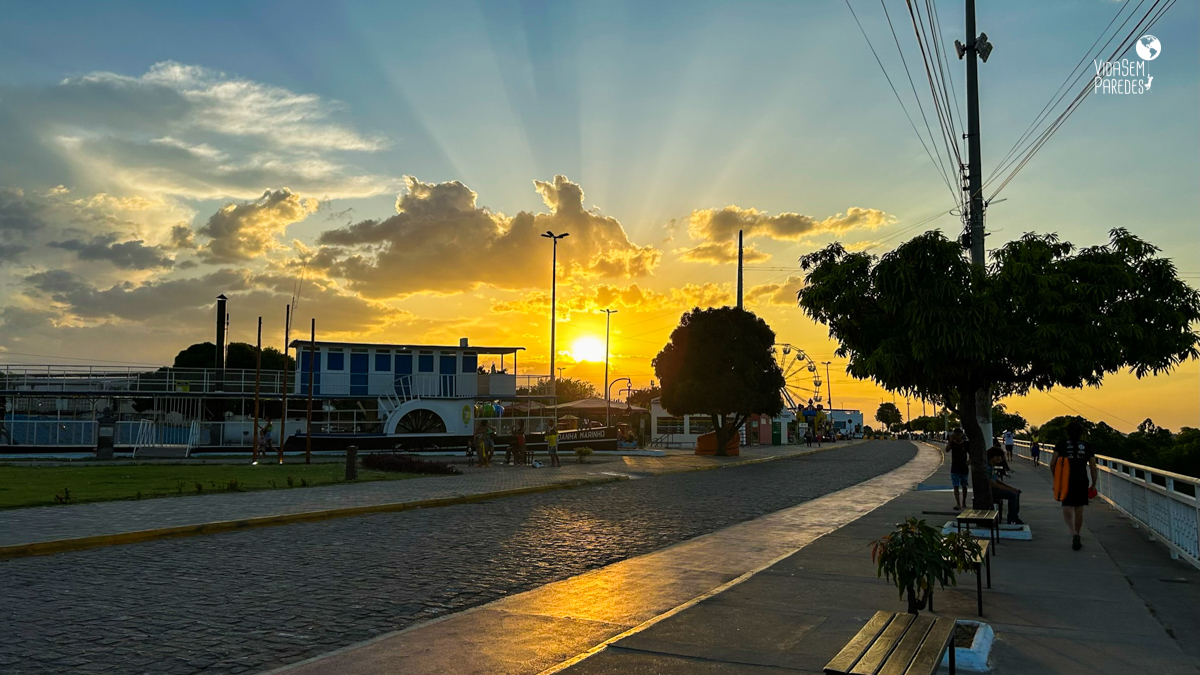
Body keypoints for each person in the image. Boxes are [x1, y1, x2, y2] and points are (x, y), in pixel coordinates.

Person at [1054, 421, 1097, 551]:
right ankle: (1078, 533)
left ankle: (1073, 532)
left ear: (1067, 432)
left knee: (1066, 507)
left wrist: (1056, 479)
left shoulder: (1061, 445)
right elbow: (1093, 466)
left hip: (1065, 480)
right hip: (1082, 479)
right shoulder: (1086, 446)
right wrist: (1094, 483)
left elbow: (1052, 463)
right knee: (1079, 507)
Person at [986, 451, 1024, 525]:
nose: (999, 459)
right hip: (989, 491)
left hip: (993, 489)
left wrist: (1011, 488)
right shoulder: (988, 467)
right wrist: (1008, 489)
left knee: (1016, 492)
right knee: (1012, 495)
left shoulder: (991, 466)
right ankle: (1012, 518)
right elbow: (991, 483)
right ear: (991, 457)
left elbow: (996, 480)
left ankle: (1014, 516)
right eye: (997, 457)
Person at [945, 428, 970, 510]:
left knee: (964, 485)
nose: (958, 437)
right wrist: (950, 441)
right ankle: (958, 503)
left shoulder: (966, 444)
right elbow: (947, 450)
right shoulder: (953, 443)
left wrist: (969, 462)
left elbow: (972, 453)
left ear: (962, 435)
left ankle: (964, 502)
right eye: (956, 435)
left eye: (959, 435)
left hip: (964, 467)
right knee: (956, 486)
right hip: (955, 467)